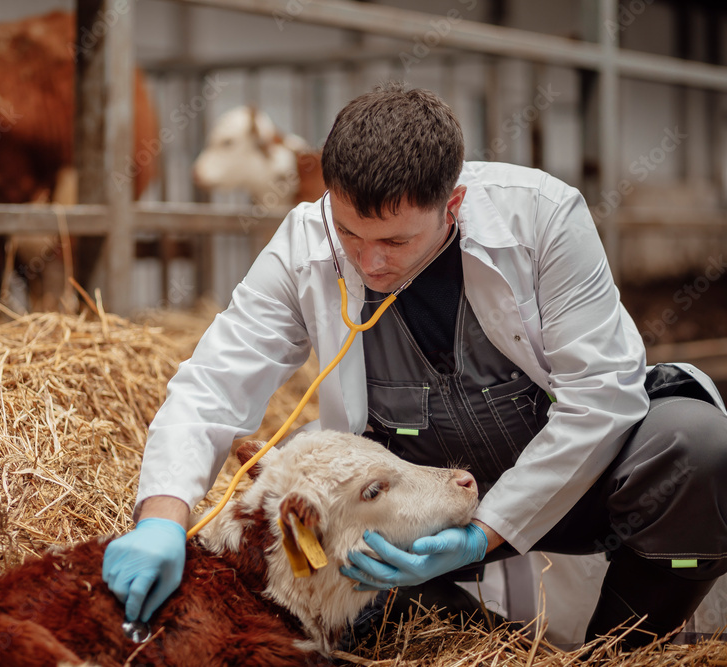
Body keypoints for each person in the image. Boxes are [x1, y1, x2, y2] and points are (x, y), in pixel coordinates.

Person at [101, 81, 727, 649]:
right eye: (350, 233)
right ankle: (466, 630)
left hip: (580, 487)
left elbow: (603, 394)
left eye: (396, 241)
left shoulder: (543, 219)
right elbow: (213, 385)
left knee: (697, 448)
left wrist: (483, 534)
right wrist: (159, 520)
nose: (369, 263)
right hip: (414, 512)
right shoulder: (302, 243)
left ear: (453, 204)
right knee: (345, 601)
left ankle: (622, 653)